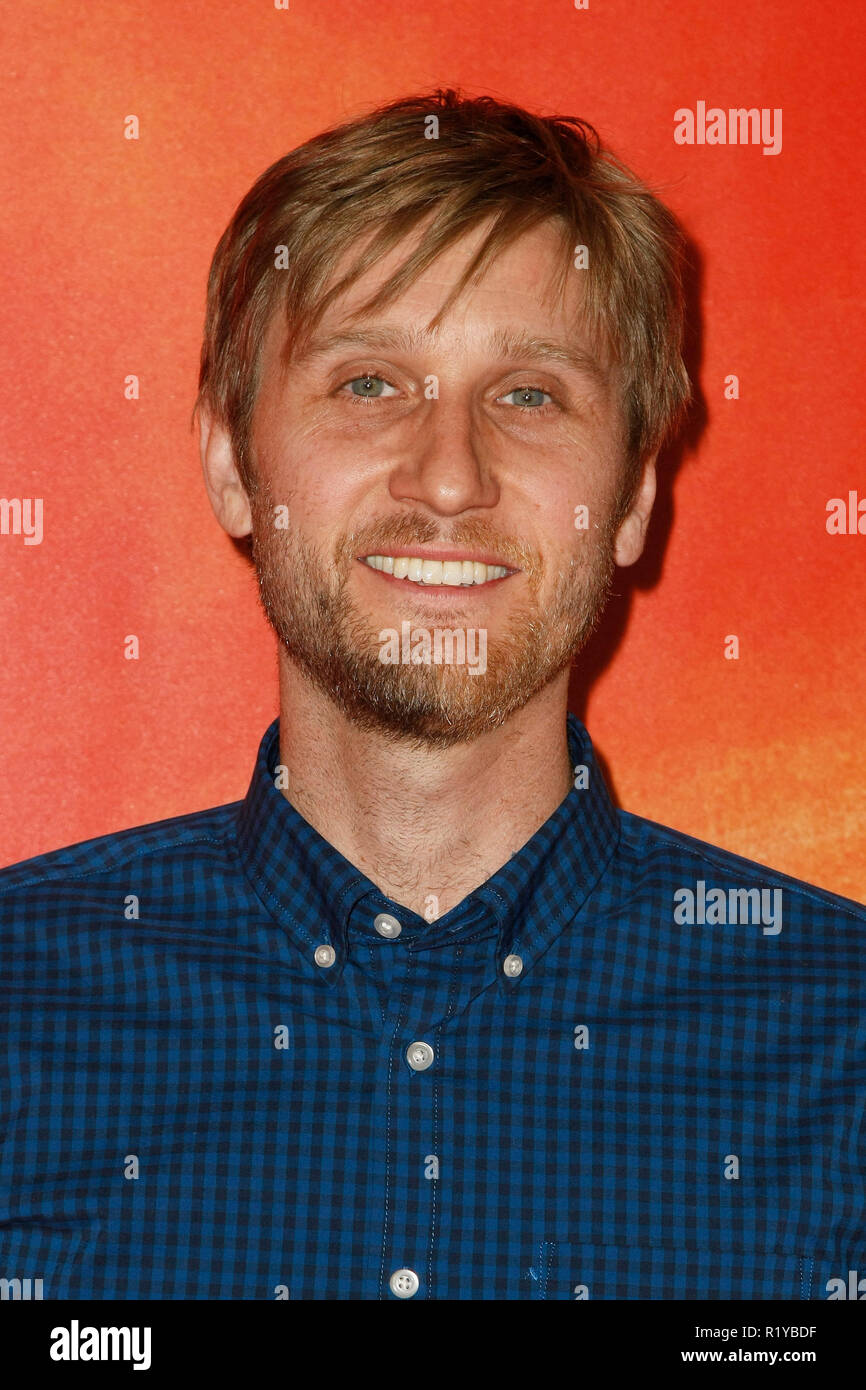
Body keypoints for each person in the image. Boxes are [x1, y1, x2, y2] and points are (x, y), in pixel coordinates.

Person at [1, 89, 863, 1302]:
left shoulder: (841, 1051)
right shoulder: (20, 1007)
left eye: (527, 394)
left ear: (629, 502)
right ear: (230, 464)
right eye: (369, 383)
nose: (448, 476)